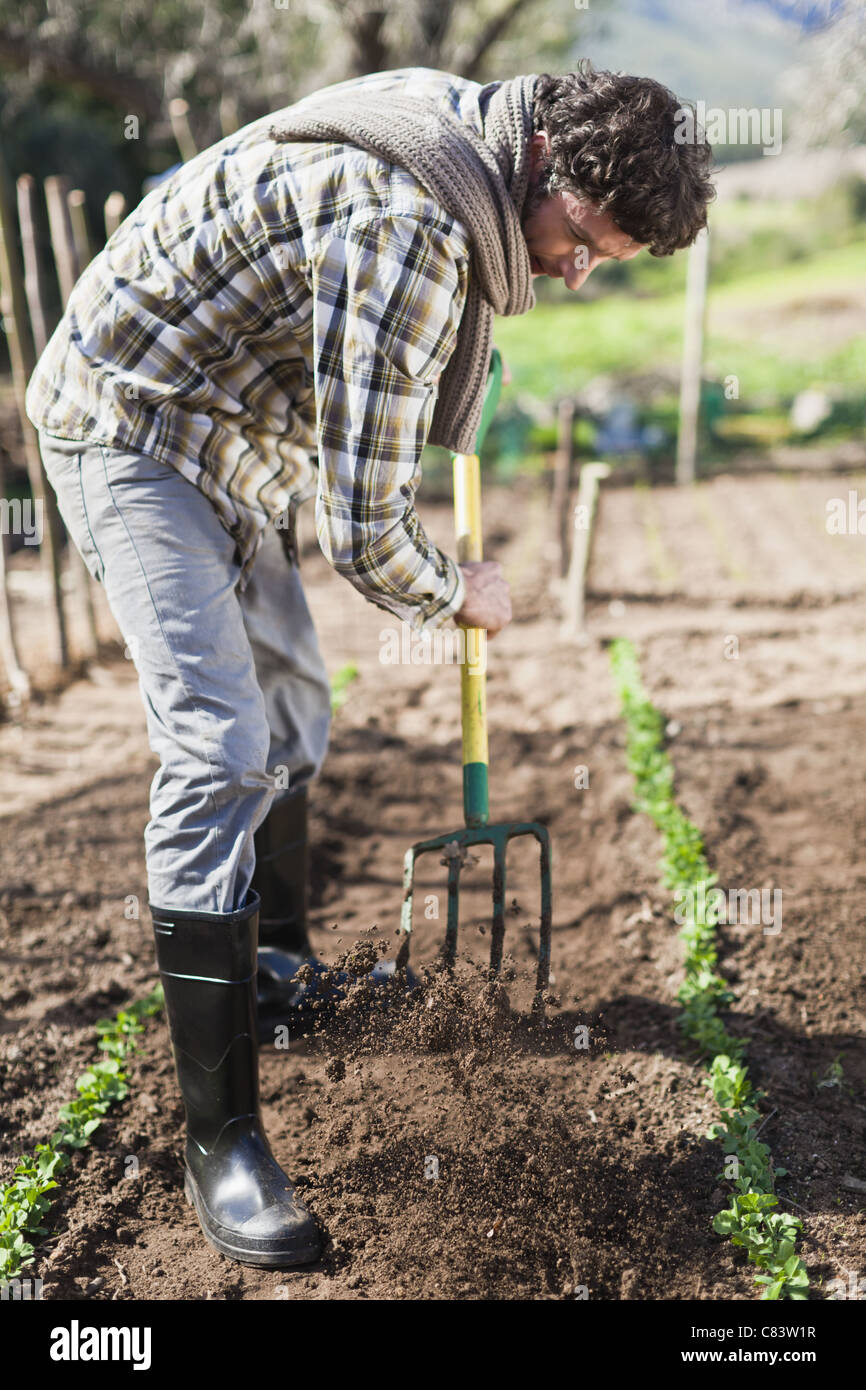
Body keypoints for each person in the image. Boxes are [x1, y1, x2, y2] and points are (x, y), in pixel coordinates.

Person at [25, 62, 714, 1268]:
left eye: (603, 261)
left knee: (293, 710)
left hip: (234, 434)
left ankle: (275, 958)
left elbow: (361, 378)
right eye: (583, 242)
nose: (572, 270)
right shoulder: (409, 229)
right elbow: (364, 536)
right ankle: (221, 1142)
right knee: (222, 747)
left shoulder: (474, 134)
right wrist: (461, 594)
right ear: (547, 162)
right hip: (132, 423)